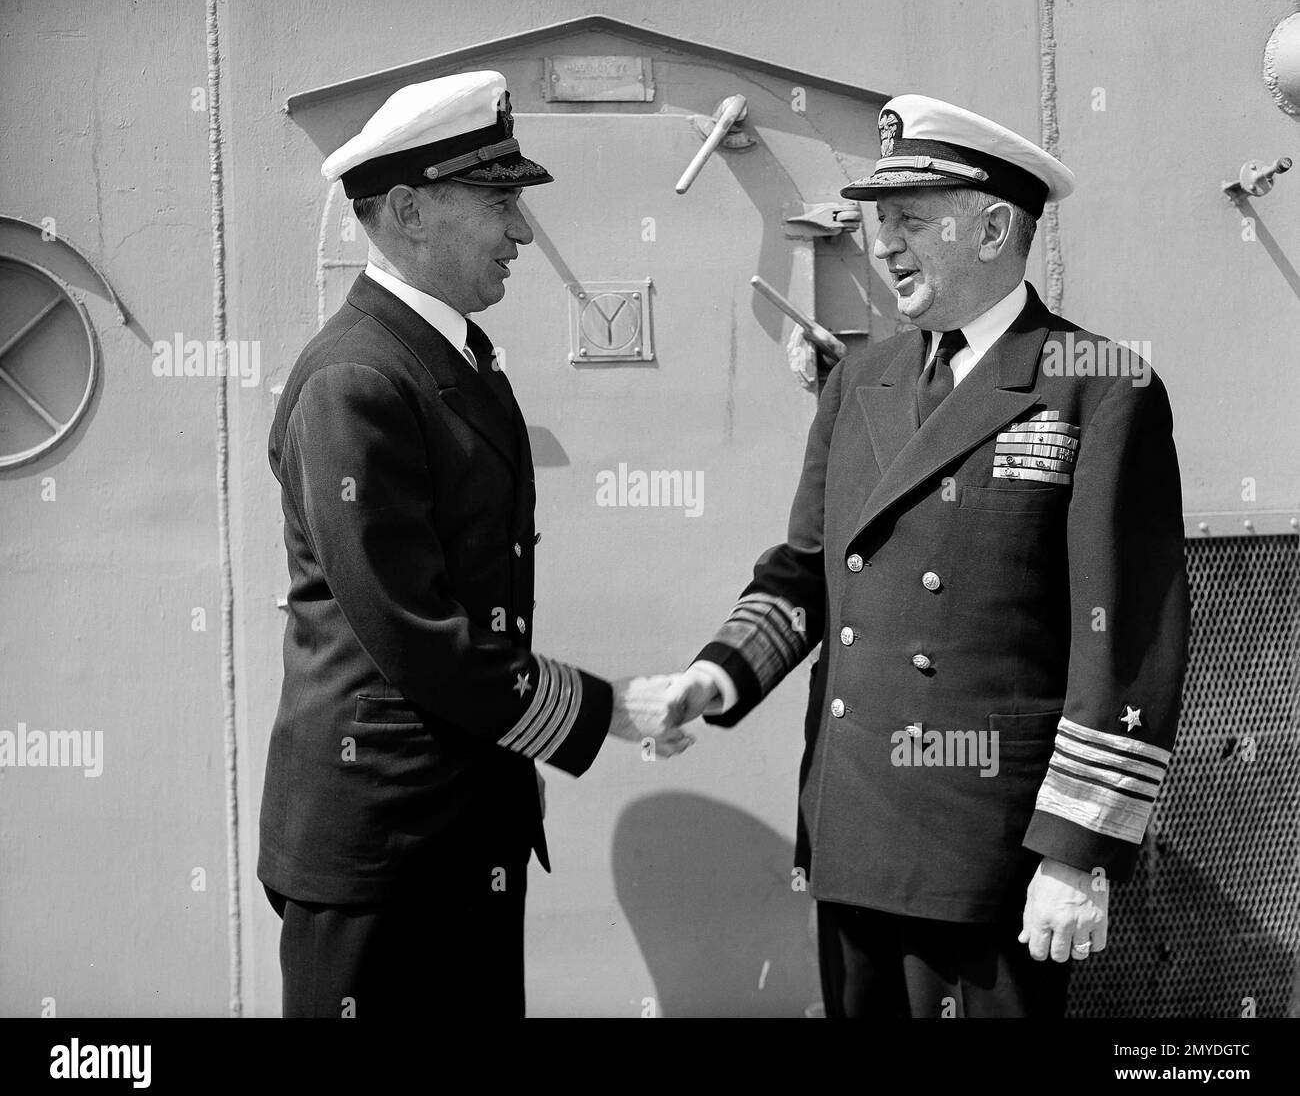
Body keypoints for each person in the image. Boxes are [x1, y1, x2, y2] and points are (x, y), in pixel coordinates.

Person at [665, 94, 1190, 1017]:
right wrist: (718, 675)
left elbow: (1126, 640)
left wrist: (1076, 852)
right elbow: (805, 573)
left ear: (993, 228)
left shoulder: (1100, 389)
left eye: (909, 219)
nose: (882, 243)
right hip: (852, 832)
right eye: (877, 220)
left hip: (992, 859)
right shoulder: (861, 379)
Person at [259, 71, 690, 1019]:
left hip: (456, 833)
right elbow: (416, 634)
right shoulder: (357, 381)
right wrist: (606, 711)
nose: (524, 232)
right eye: (500, 201)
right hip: (384, 852)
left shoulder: (448, 359)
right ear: (408, 210)